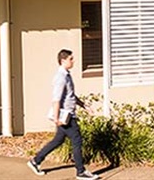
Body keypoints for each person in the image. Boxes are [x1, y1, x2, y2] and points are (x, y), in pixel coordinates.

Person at [27, 49, 100, 180]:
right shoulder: (60, 78)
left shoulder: (67, 75)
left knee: (58, 140)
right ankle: (80, 171)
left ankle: (35, 161)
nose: (73, 61)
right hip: (66, 117)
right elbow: (56, 99)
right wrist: (56, 118)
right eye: (71, 59)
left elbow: (70, 95)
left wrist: (84, 105)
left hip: (68, 115)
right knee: (77, 140)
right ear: (63, 61)